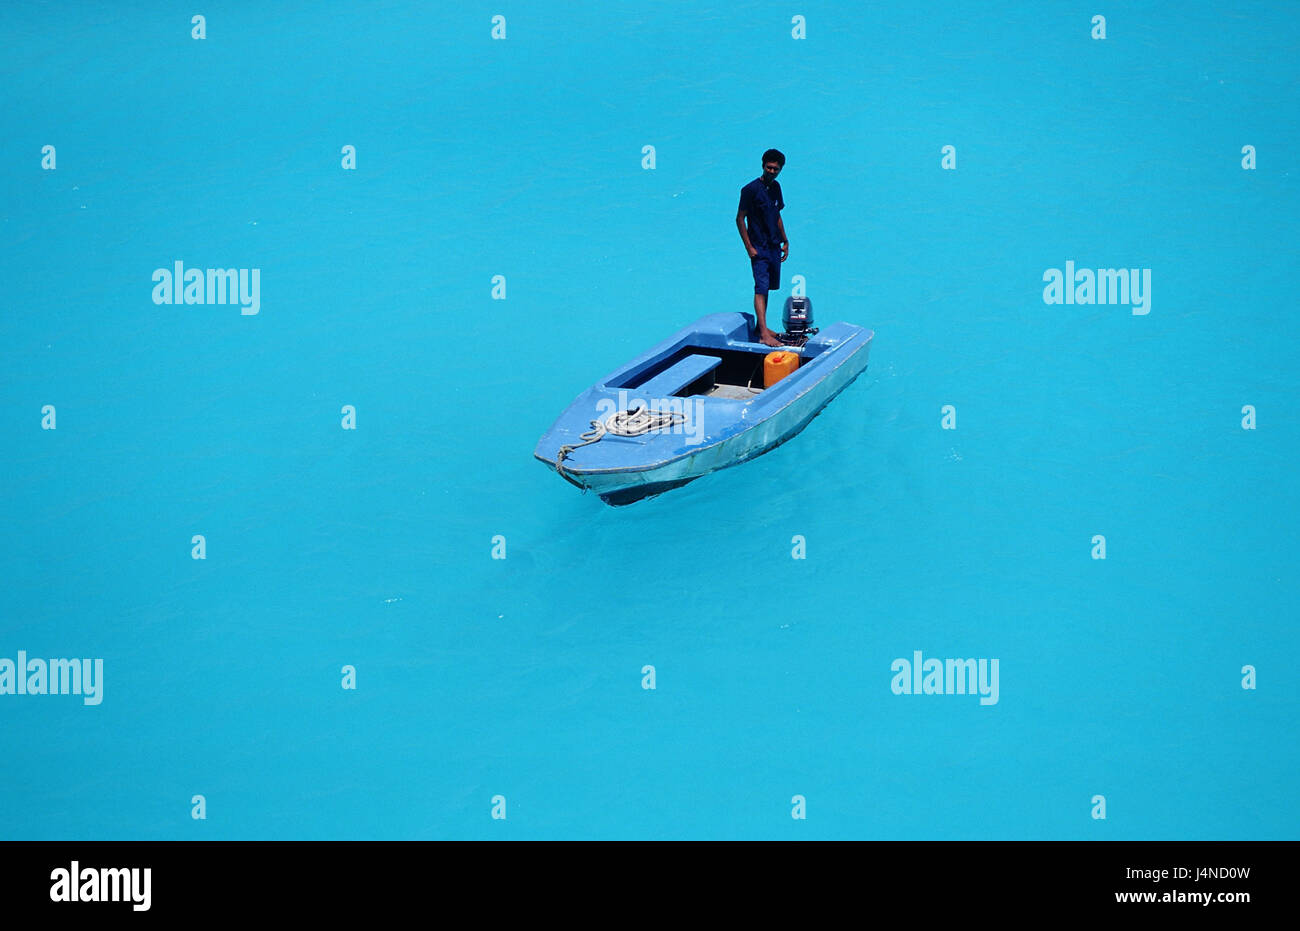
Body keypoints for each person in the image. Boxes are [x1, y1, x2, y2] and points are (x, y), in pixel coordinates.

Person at [736, 149, 789, 347]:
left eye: (776, 169)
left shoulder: (776, 188)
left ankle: (761, 327)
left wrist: (785, 240)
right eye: (769, 167)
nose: (772, 171)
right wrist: (749, 247)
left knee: (768, 288)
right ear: (762, 165)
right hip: (759, 247)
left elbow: (776, 215)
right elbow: (740, 219)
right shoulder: (749, 190)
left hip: (774, 245)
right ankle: (763, 335)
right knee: (760, 288)